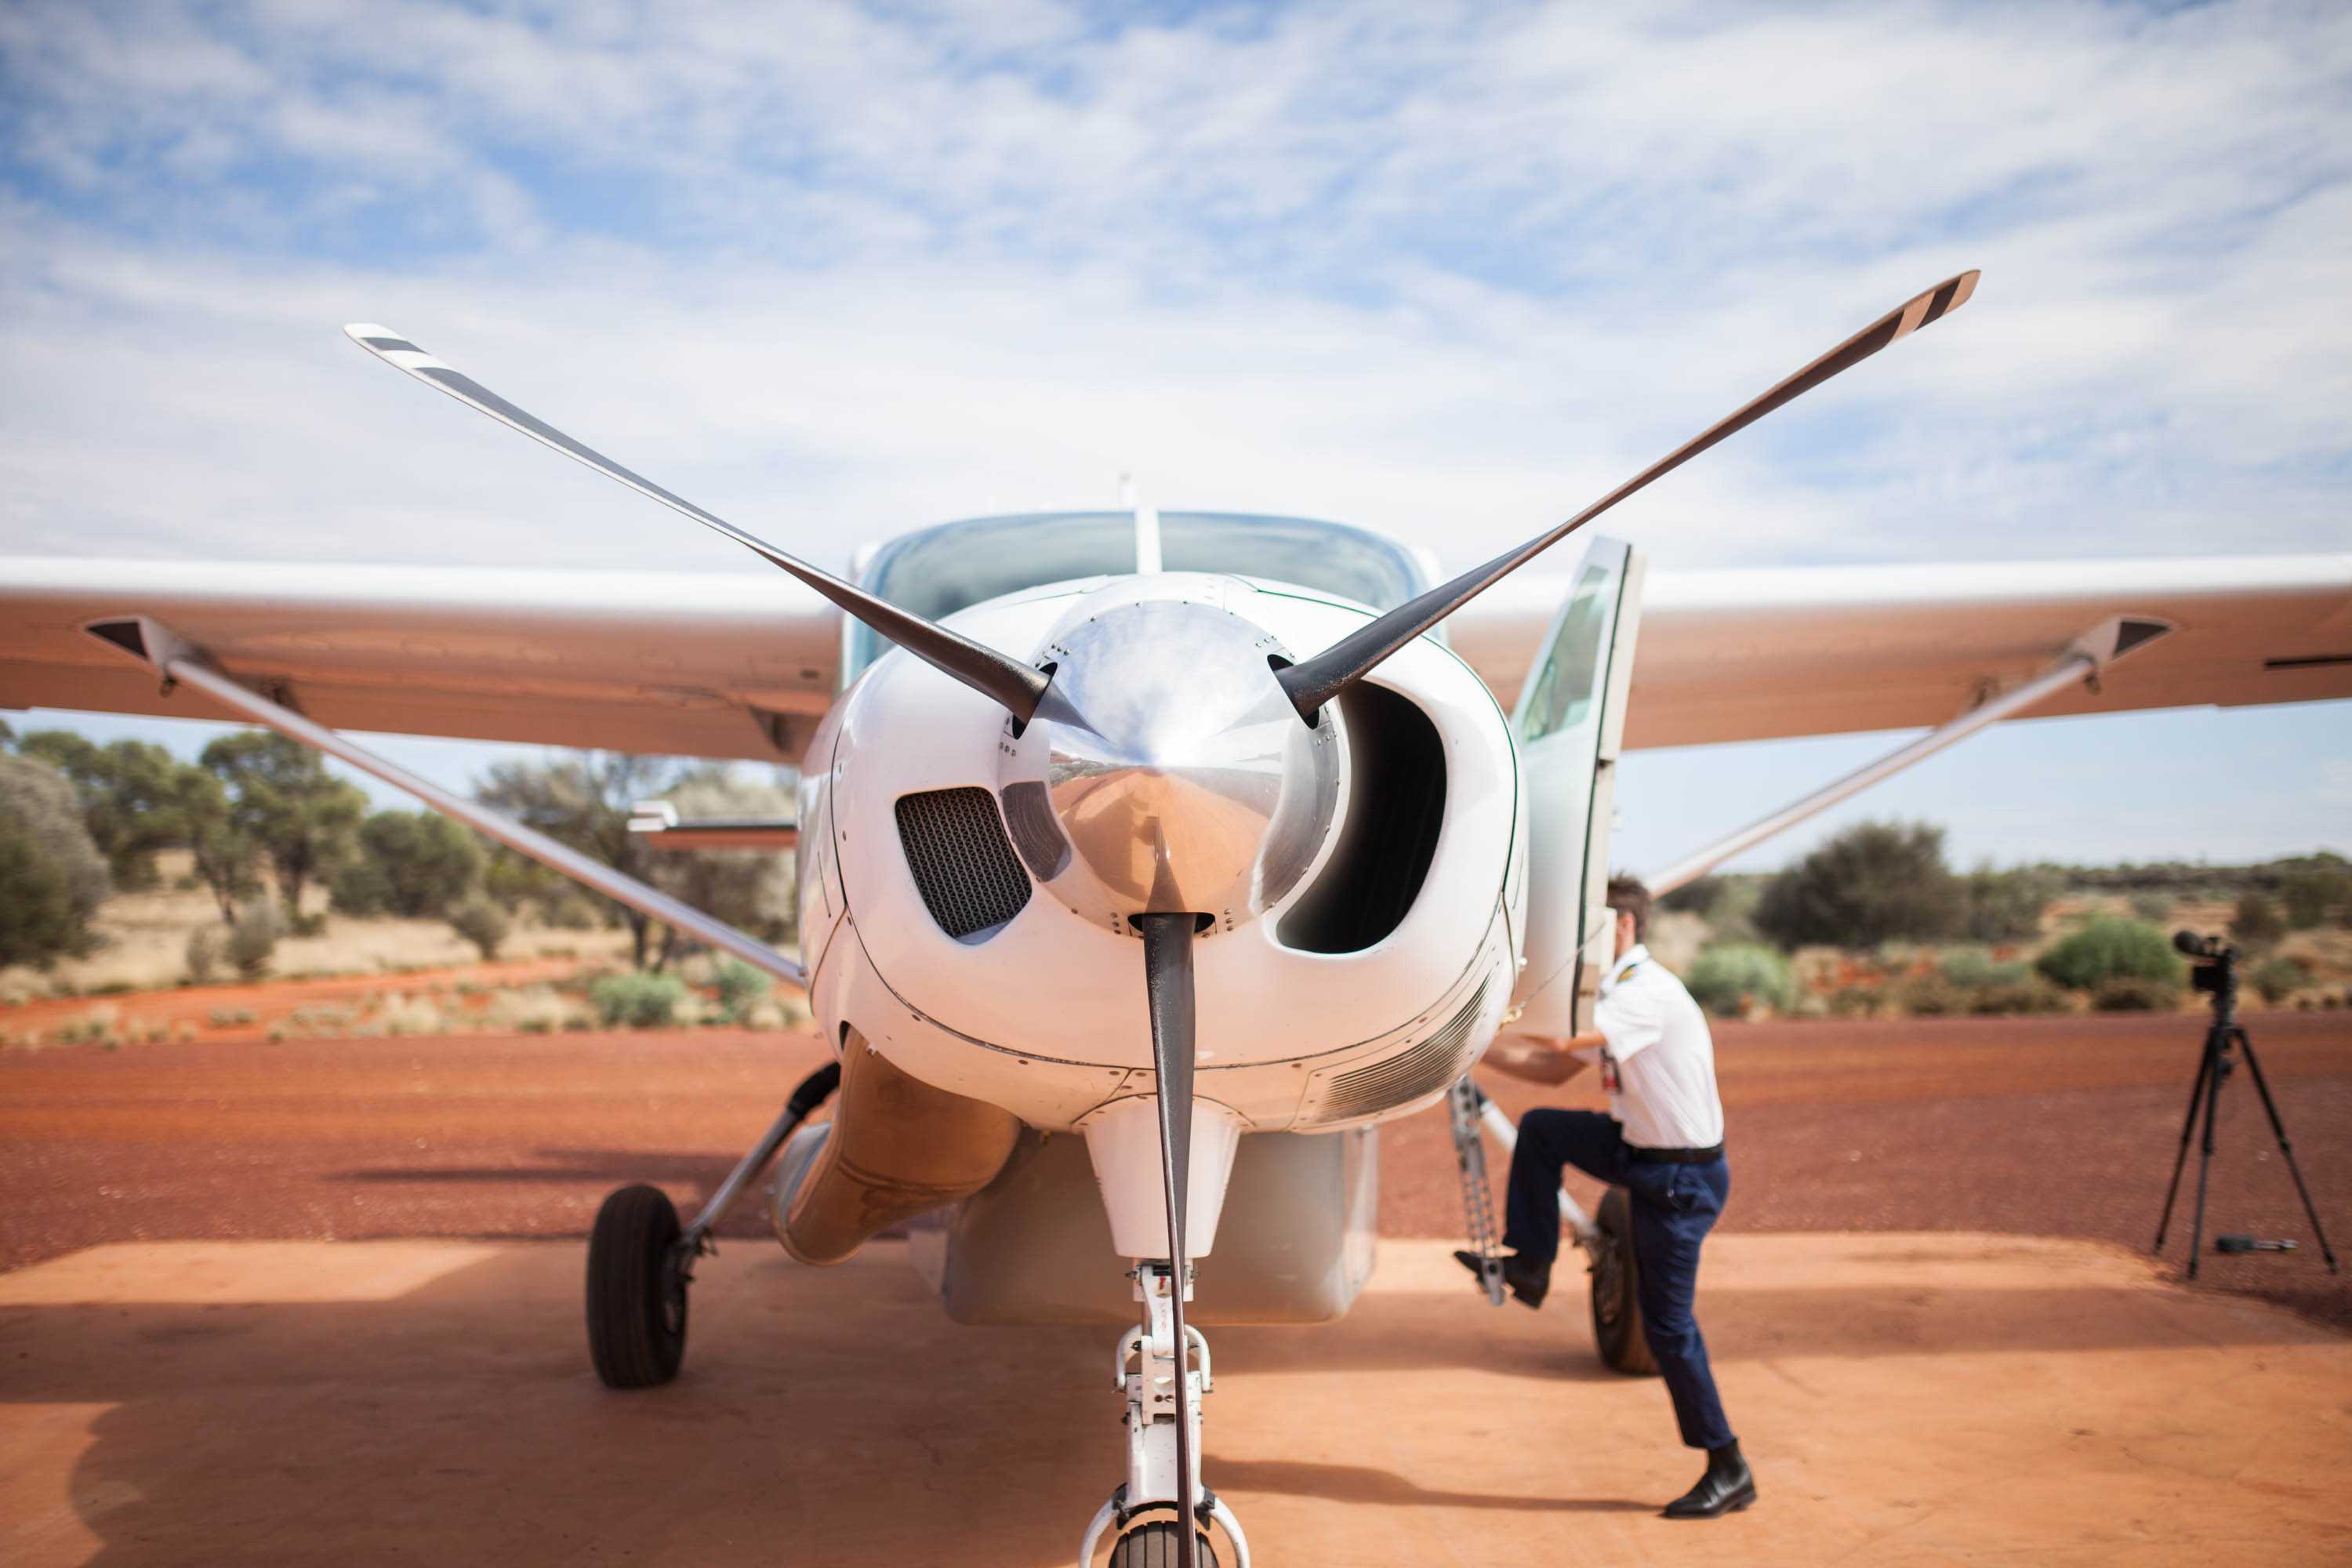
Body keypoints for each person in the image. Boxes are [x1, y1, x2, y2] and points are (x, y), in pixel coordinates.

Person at [1457, 876, 1753, 1520]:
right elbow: (1550, 1071)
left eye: (1585, 928)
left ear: (1622, 926)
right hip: (1639, 1153)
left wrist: (1470, 1021)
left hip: (1680, 1181)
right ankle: (1531, 1264)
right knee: (1543, 1129)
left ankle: (1728, 1466)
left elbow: (1564, 1042)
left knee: (1668, 1329)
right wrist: (1463, 1053)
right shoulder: (1618, 996)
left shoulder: (1646, 992)